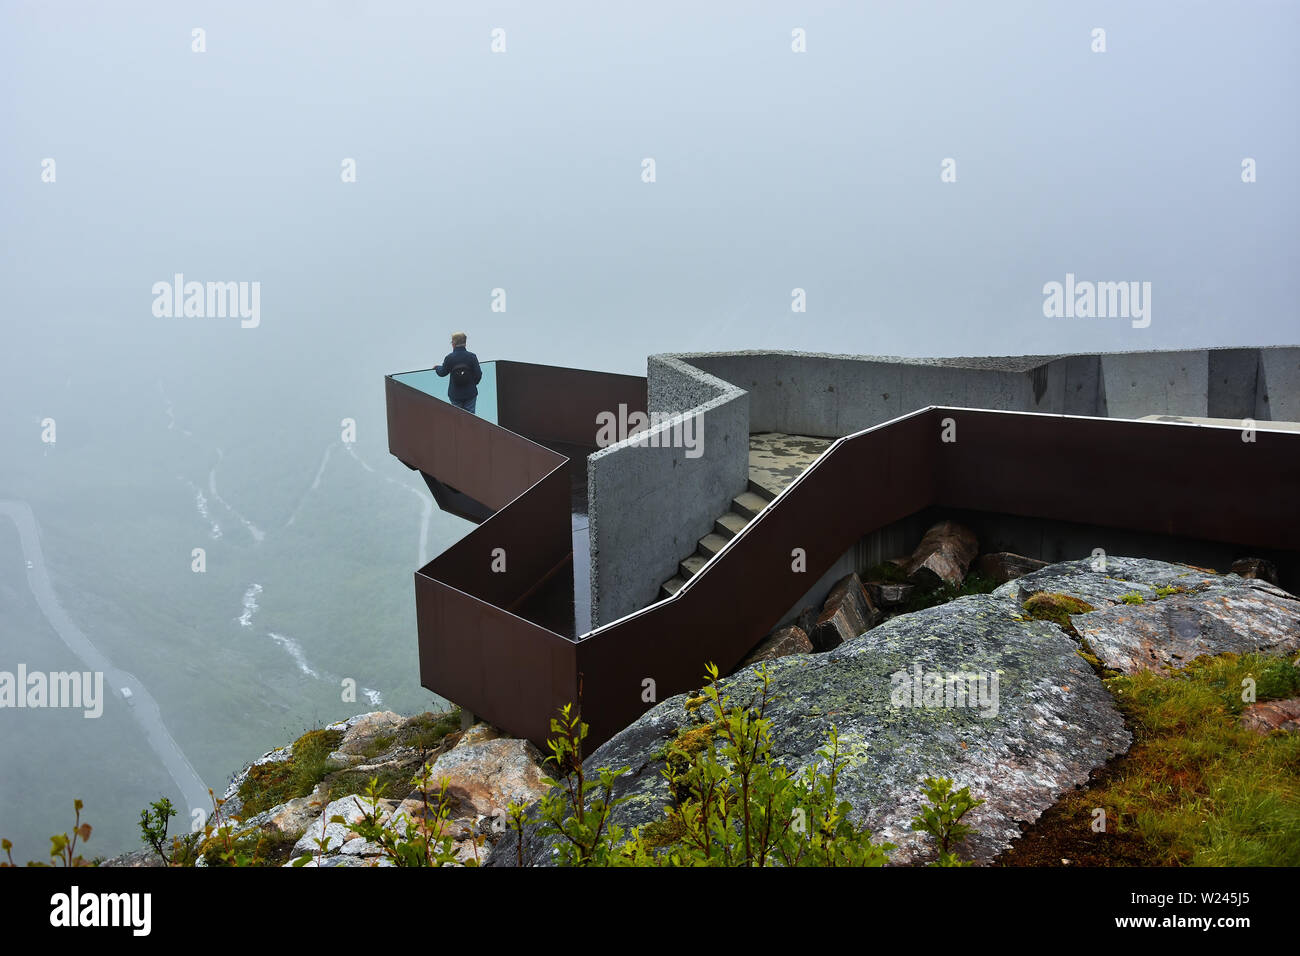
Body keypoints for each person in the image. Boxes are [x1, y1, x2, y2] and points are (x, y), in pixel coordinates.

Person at [434, 331, 483, 413]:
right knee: (470, 418)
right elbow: (478, 374)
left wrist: (437, 368)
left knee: (456, 418)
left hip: (455, 393)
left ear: (453, 343)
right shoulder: (472, 357)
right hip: (470, 392)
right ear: (465, 343)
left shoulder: (449, 358)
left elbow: (442, 373)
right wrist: (473, 384)